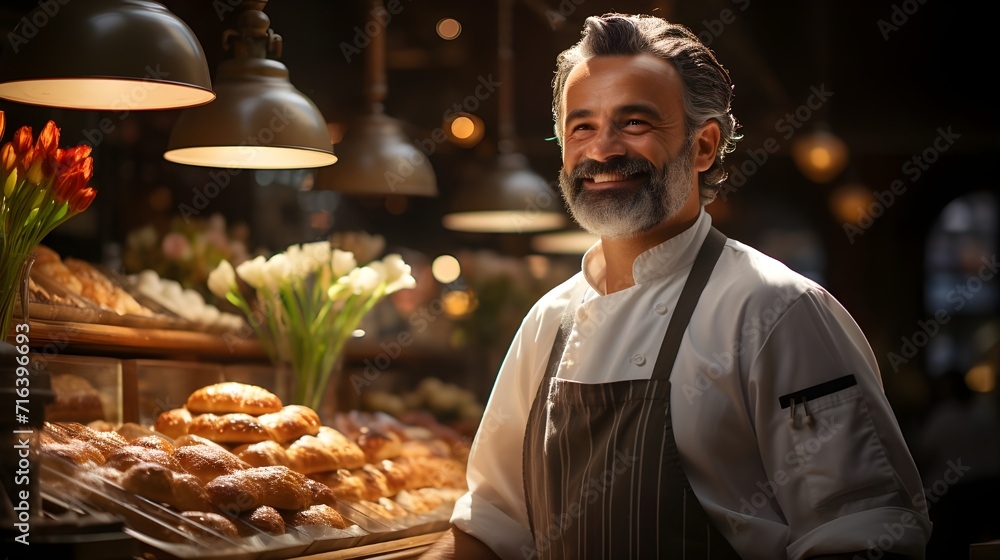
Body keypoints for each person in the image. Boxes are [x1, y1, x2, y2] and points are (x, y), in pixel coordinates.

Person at [421, 13, 931, 560]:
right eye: (582, 126)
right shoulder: (549, 320)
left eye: (634, 122)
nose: (602, 150)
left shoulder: (778, 310)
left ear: (704, 145)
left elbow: (861, 534)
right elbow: (492, 525)